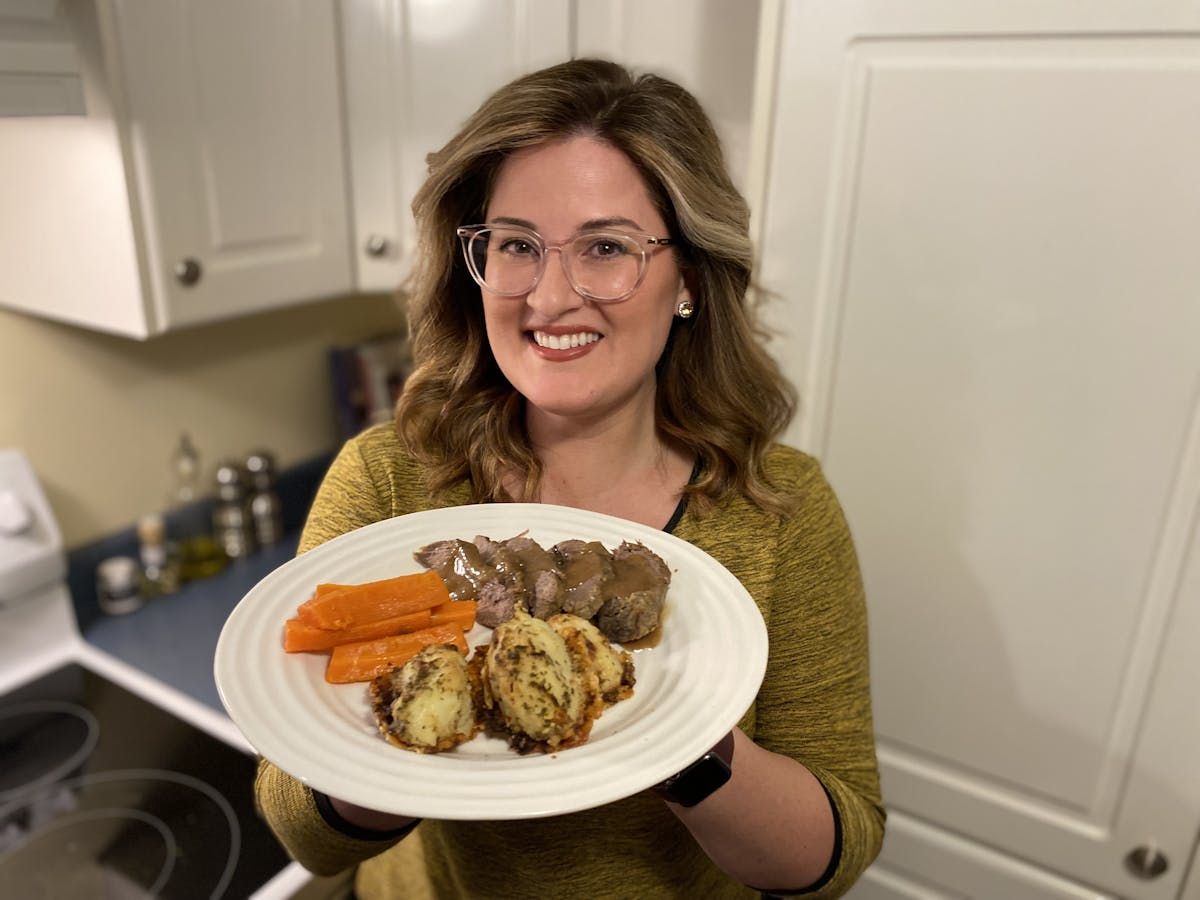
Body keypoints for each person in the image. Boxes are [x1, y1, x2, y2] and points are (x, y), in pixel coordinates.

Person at [255, 58, 884, 898]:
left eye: (606, 248)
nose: (551, 297)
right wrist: (401, 728)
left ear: (690, 277)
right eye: (517, 244)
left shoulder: (782, 511)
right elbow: (301, 830)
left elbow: (833, 853)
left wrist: (674, 736)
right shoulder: (388, 480)